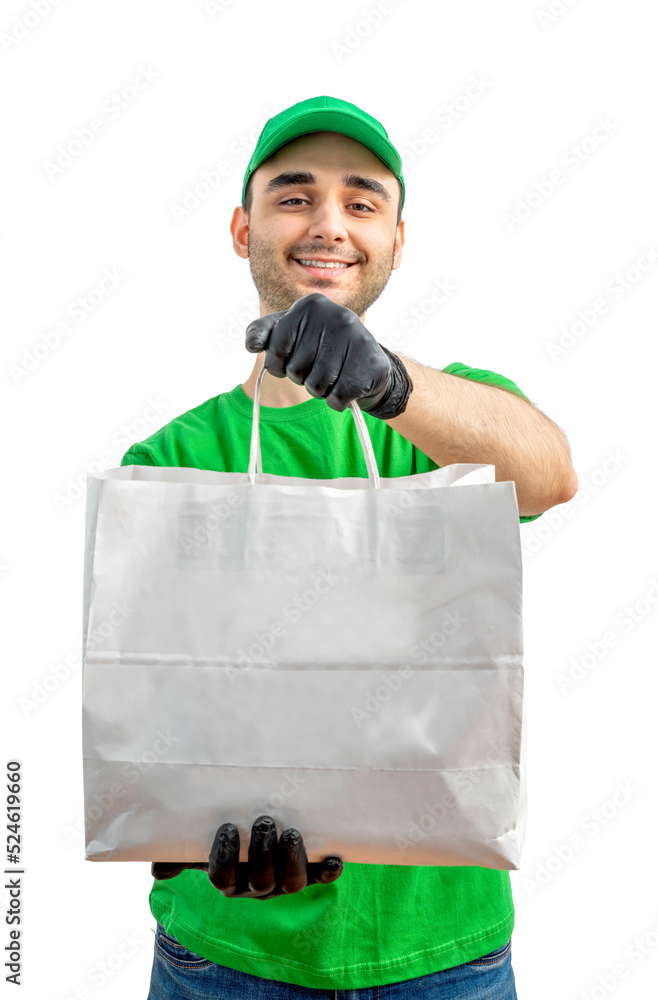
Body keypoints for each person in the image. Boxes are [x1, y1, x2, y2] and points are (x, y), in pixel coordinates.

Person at [120, 96, 578, 998]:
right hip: (226, 958)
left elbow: (550, 474)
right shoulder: (169, 460)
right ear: (242, 226)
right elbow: (147, 702)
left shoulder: (447, 417)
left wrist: (388, 380)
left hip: (445, 958)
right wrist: (178, 845)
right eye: (295, 197)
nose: (329, 223)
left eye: (361, 202)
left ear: (397, 241)